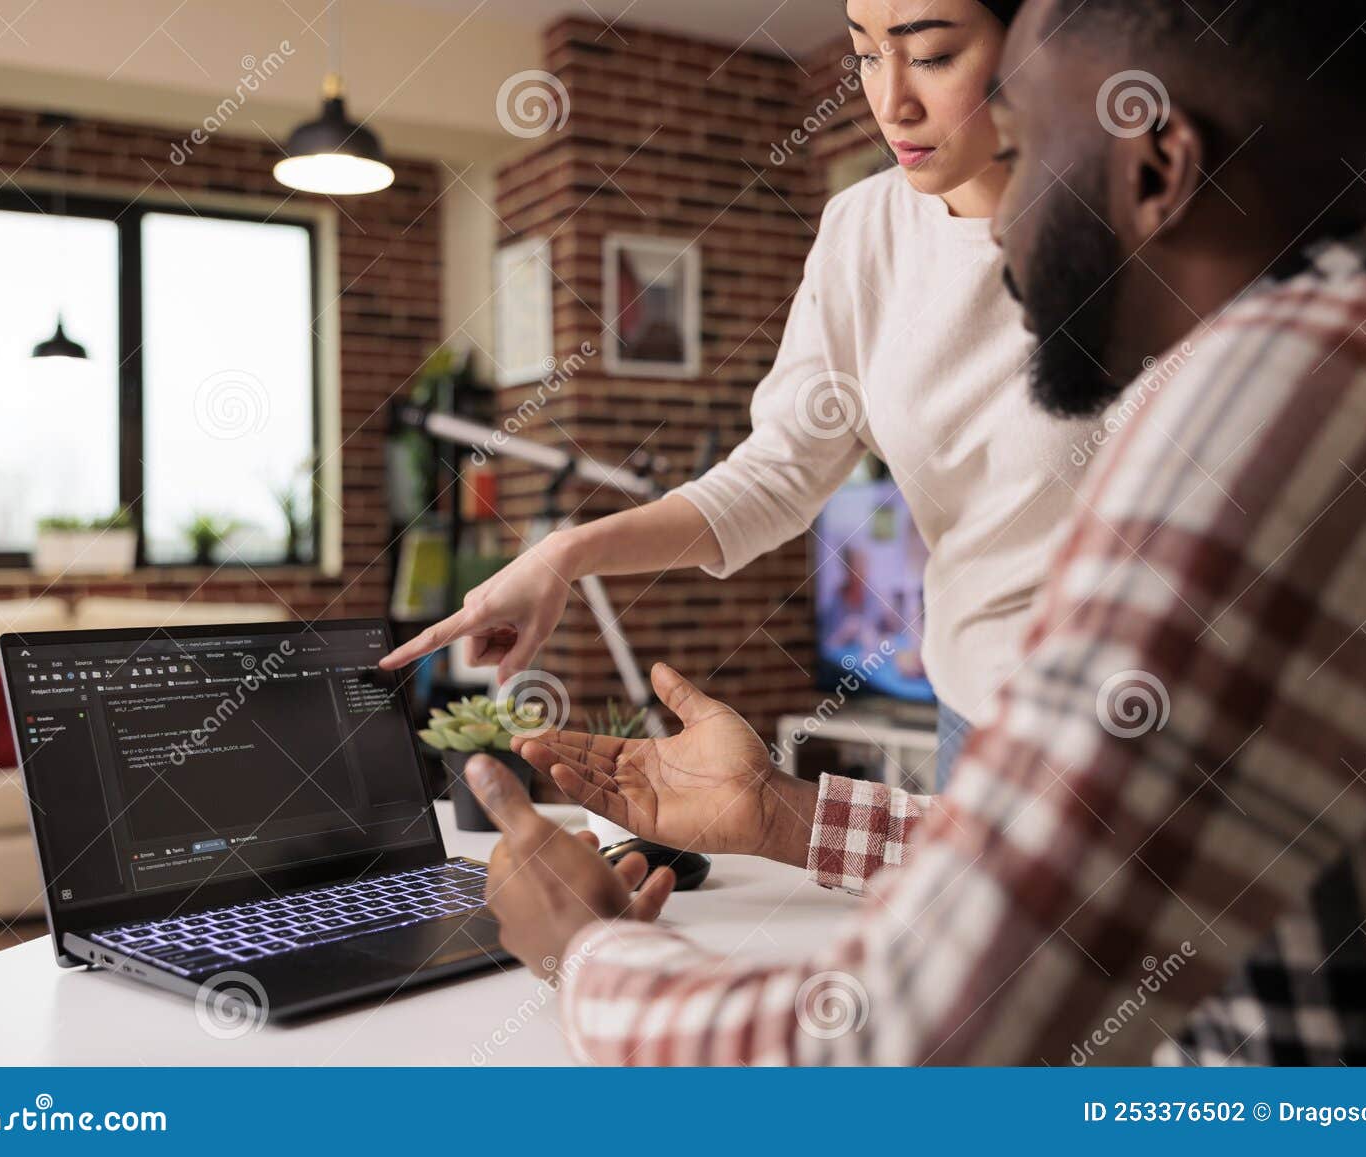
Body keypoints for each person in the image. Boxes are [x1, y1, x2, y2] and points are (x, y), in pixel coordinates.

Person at [464, 0, 1366, 1066]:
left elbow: (912, 1045)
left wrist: (583, 949)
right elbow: (1099, 873)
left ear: (1154, 165)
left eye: (1033, 138)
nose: (992, 220)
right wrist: (783, 815)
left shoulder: (1278, 427)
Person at [384, 0, 1098, 788]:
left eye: (929, 56)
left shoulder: (1144, 220)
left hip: (1143, 700)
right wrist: (563, 554)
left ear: (1036, 40)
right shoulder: (865, 230)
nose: (891, 101)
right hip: (977, 701)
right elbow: (779, 472)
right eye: (864, 56)